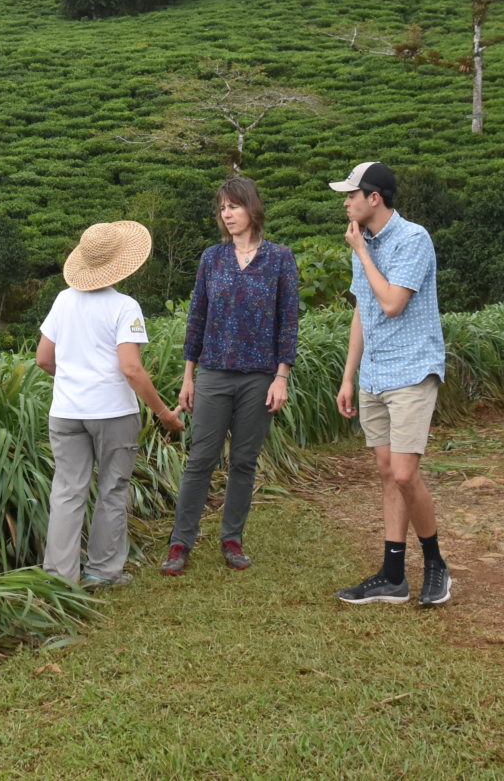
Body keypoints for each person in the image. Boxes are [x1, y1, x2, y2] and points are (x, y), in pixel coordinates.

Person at [328, 161, 452, 607]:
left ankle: (436, 563)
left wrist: (362, 253)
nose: (345, 202)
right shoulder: (364, 241)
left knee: (404, 473)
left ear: (373, 198)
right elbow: (364, 308)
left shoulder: (412, 239)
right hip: (375, 372)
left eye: (351, 195)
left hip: (412, 370)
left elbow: (394, 303)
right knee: (387, 474)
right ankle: (393, 576)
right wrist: (348, 376)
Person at [162, 176, 299, 575]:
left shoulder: (279, 258)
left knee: (243, 461)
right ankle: (179, 543)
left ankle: (232, 538)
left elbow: (288, 321)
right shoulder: (212, 258)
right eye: (222, 208)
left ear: (251, 208)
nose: (227, 214)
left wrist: (281, 376)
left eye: (233, 206)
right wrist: (189, 376)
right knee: (199, 459)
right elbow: (197, 319)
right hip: (214, 373)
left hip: (259, 377)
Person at [37, 219, 184, 587]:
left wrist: (74, 379)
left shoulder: (63, 299)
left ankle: (60, 578)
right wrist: (164, 413)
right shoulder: (125, 306)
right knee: (112, 490)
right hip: (113, 413)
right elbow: (131, 368)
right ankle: (102, 573)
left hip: (66, 412)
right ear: (121, 262)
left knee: (67, 492)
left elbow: (43, 359)